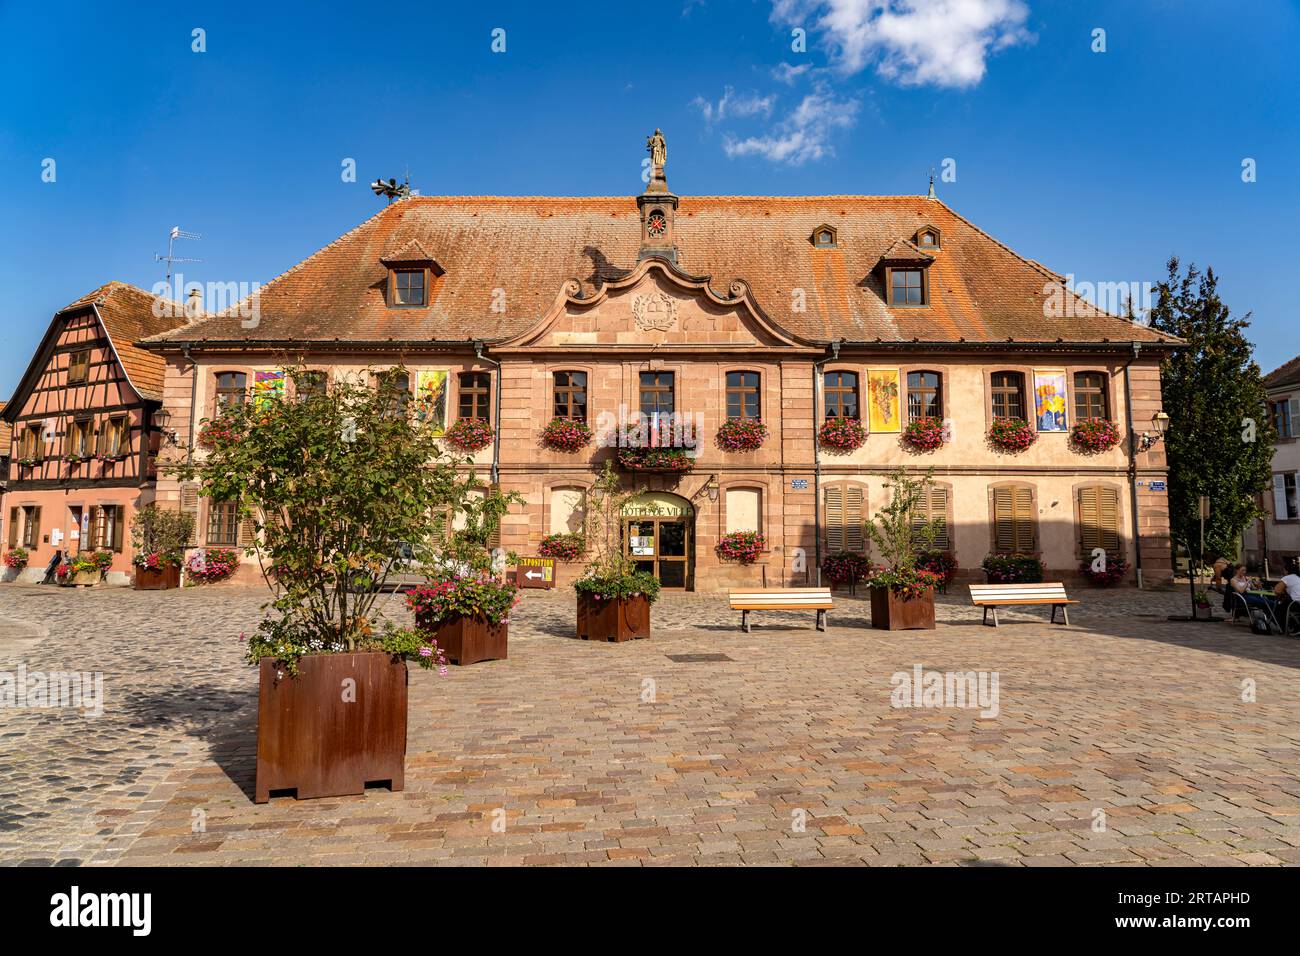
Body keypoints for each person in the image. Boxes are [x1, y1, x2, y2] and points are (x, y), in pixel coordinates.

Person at [1274, 558, 1300, 630]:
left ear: (1287, 571)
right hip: (1297, 602)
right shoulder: (1298, 578)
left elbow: (1277, 590)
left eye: (1283, 570)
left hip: (1296, 604)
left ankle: (1284, 627)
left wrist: (1284, 592)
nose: (1283, 572)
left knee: (1279, 607)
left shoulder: (1287, 578)